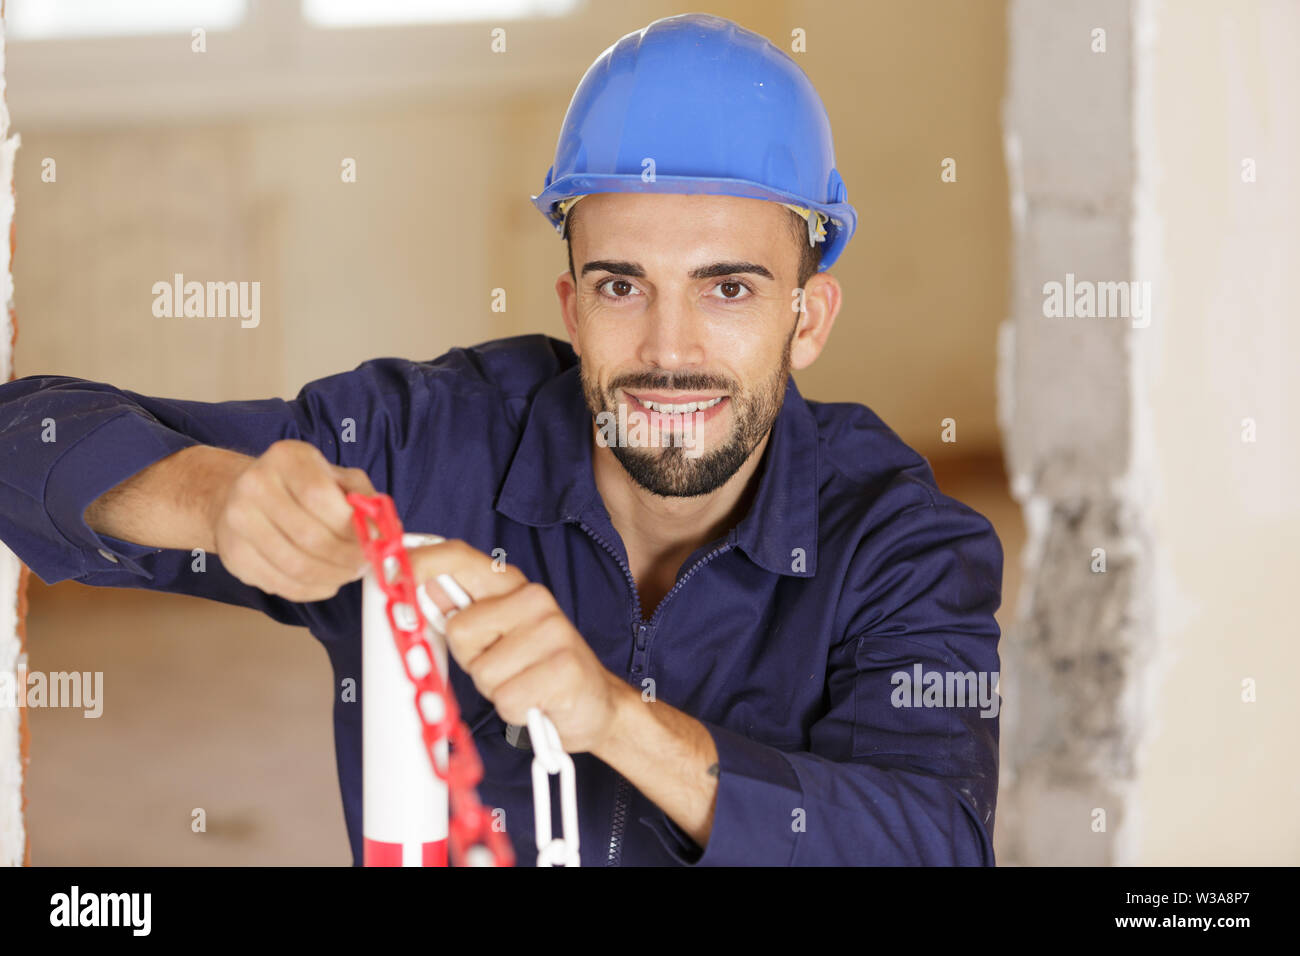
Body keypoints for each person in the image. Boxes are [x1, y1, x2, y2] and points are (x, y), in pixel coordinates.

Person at [0, 13, 1002, 866]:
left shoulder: (901, 543)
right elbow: (22, 436)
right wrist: (216, 497)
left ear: (809, 317)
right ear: (572, 307)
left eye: (727, 287)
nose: (667, 348)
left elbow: (932, 839)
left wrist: (614, 717)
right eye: (621, 285)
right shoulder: (423, 449)